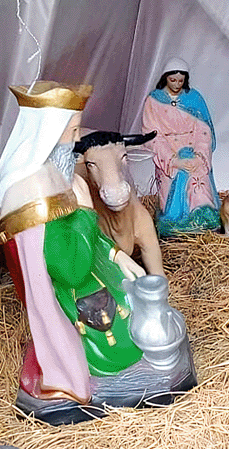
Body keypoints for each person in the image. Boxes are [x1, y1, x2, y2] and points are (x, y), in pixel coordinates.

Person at [0, 82, 146, 406]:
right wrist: (86, 212)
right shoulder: (33, 192)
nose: (75, 140)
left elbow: (88, 243)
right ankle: (104, 371)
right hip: (68, 287)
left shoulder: (60, 175)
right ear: (47, 135)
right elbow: (69, 269)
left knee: (136, 282)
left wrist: (116, 254)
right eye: (72, 130)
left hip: (86, 261)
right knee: (127, 305)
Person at [142, 57, 220, 235]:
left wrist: (199, 155)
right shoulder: (153, 101)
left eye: (180, 80)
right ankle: (174, 221)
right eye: (172, 80)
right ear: (165, 78)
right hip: (169, 153)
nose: (176, 84)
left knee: (198, 175)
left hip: (194, 151)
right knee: (177, 173)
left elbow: (204, 130)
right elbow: (152, 135)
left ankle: (203, 219)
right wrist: (173, 160)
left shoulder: (194, 98)